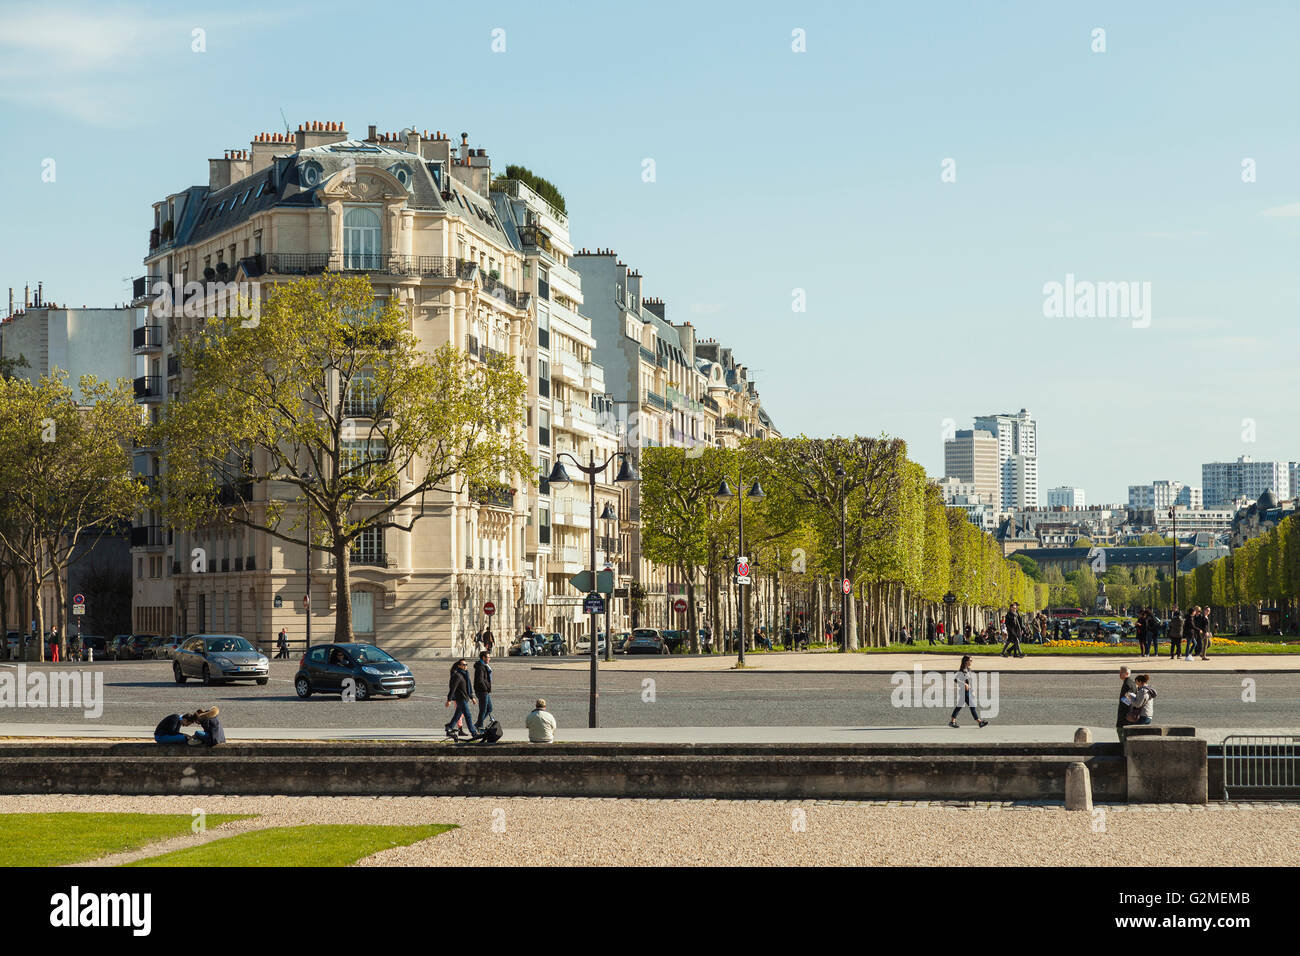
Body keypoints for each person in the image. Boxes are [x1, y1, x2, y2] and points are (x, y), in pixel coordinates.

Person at [949, 655, 989, 728]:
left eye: (971, 660)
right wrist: (964, 684)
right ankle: (979, 722)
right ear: (965, 661)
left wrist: (972, 690)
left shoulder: (968, 669)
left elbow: (970, 681)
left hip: (967, 691)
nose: (971, 662)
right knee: (972, 706)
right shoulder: (962, 670)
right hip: (964, 691)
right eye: (970, 660)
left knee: (959, 706)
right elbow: (955, 679)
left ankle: (952, 721)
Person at [444, 658, 478, 738]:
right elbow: (453, 688)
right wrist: (449, 700)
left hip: (464, 698)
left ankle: (449, 728)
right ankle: (474, 733)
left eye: (466, 664)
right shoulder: (457, 675)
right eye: (463, 665)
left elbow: (468, 687)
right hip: (461, 699)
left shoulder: (465, 674)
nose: (465, 666)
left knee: (457, 716)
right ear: (459, 666)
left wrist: (472, 697)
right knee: (468, 715)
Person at [473, 651, 494, 728]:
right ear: (483, 658)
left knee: (489, 708)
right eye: (488, 657)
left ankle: (478, 723)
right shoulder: (480, 667)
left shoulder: (484, 666)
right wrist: (485, 688)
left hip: (485, 691)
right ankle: (480, 726)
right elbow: (480, 680)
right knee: (483, 709)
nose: (489, 659)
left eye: (489, 657)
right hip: (482, 691)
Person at [1116, 666, 1137, 733]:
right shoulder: (1131, 682)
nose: (1119, 674)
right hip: (1128, 714)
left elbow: (1128, 701)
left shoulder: (1127, 684)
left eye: (1121, 672)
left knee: (1121, 732)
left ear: (1127, 673)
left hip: (1125, 715)